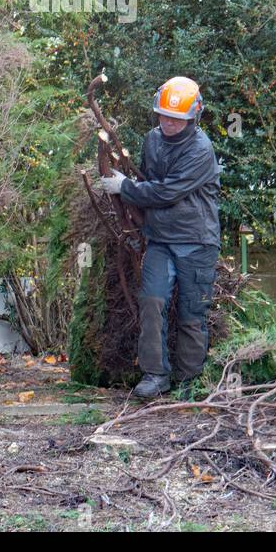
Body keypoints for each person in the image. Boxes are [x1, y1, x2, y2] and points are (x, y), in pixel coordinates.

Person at [100, 76, 221, 399]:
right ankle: (155, 375)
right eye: (164, 116)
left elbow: (167, 192)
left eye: (176, 119)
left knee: (192, 314)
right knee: (152, 301)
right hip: (161, 240)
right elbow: (147, 179)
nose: (168, 123)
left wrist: (125, 188)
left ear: (192, 116)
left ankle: (189, 382)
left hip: (198, 241)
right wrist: (131, 192)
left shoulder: (201, 149)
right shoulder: (152, 140)